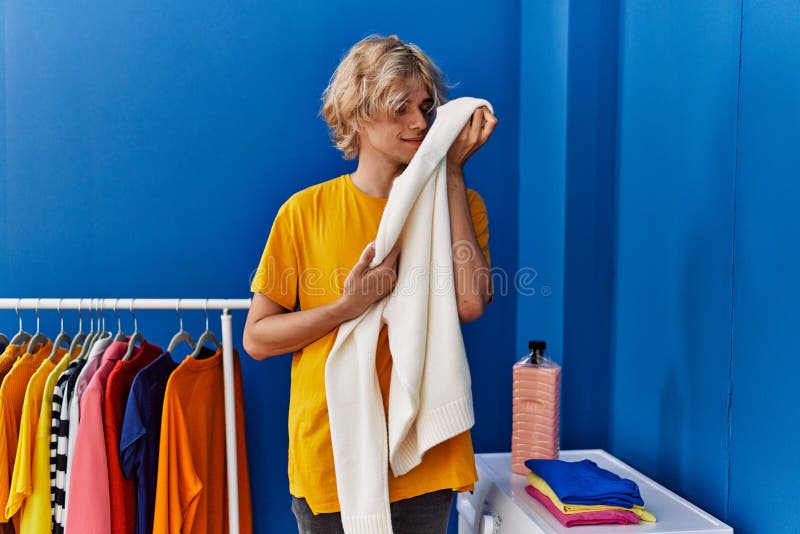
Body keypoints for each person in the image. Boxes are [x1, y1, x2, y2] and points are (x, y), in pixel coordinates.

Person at [243, 34, 497, 533]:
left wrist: (450, 173)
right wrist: (347, 306)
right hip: (332, 453)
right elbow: (257, 339)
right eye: (401, 107)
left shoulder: (462, 205)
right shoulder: (304, 213)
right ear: (358, 113)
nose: (420, 122)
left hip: (426, 455)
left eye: (426, 107)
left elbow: (470, 304)